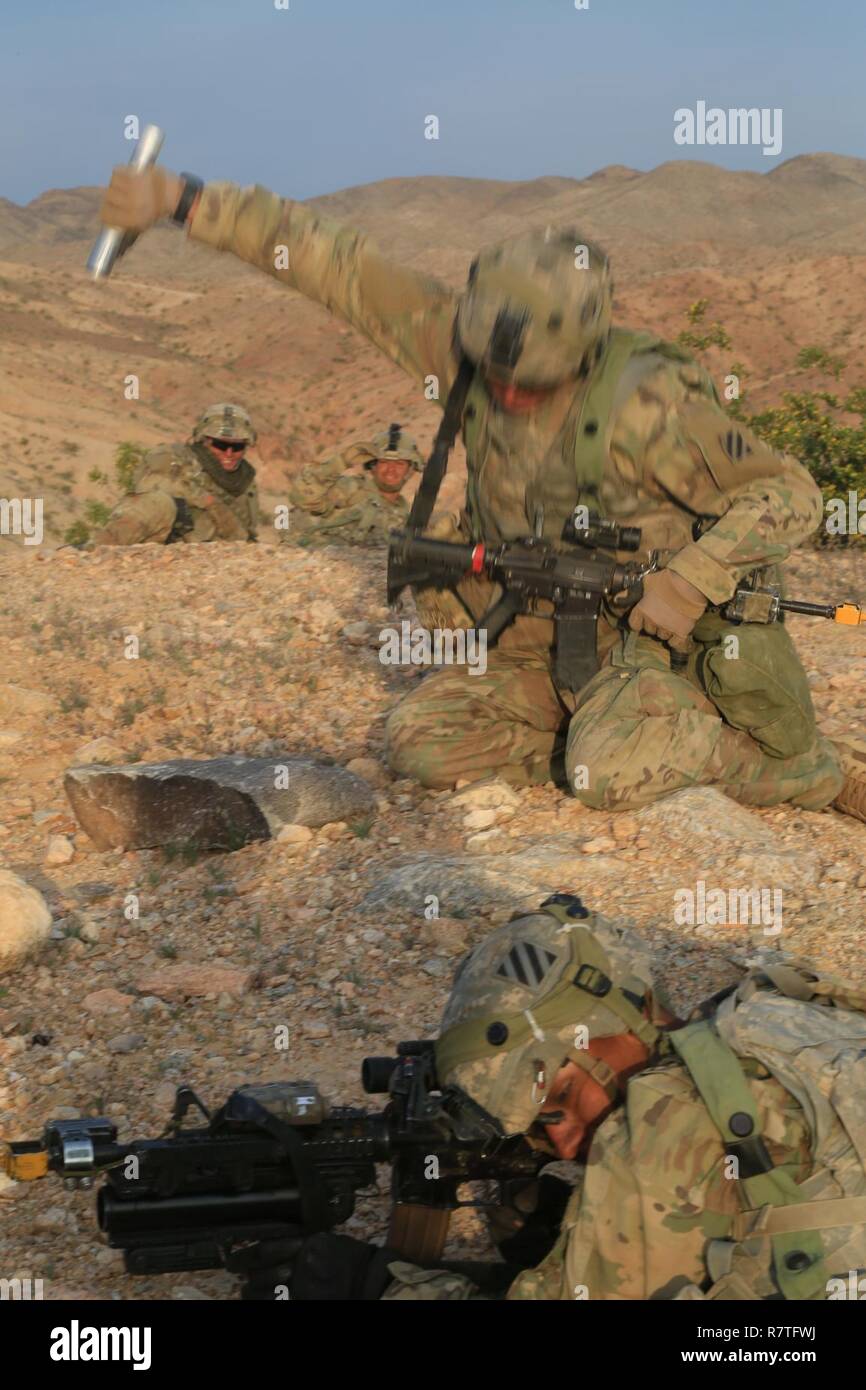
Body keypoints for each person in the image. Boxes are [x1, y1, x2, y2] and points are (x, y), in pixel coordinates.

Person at [95, 167, 866, 822]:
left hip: (646, 648)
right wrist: (185, 199)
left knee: (606, 778)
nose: (505, 394)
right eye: (495, 377)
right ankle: (602, 734)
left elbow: (789, 491)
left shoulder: (652, 405)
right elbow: (337, 267)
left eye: (528, 382)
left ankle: (805, 770)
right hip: (535, 645)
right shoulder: (462, 347)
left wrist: (691, 579)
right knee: (421, 743)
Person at [282, 893, 866, 1301]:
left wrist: (376, 1285)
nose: (559, 1143)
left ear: (616, 1024)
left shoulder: (664, 1120)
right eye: (539, 1127)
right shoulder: (763, 1014)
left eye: (559, 1100)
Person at [94, 402, 259, 545]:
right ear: (204, 440)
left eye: (237, 447)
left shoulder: (245, 481)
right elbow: (149, 488)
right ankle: (100, 549)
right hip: (164, 542)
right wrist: (206, 500)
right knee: (158, 502)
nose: (229, 453)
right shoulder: (173, 457)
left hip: (210, 555)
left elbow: (245, 535)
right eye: (220, 445)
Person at [285, 423, 424, 546]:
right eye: (384, 462)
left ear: (410, 470)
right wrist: (341, 462)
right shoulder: (352, 489)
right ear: (372, 466)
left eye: (399, 464)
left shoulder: (404, 514)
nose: (391, 470)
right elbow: (301, 498)